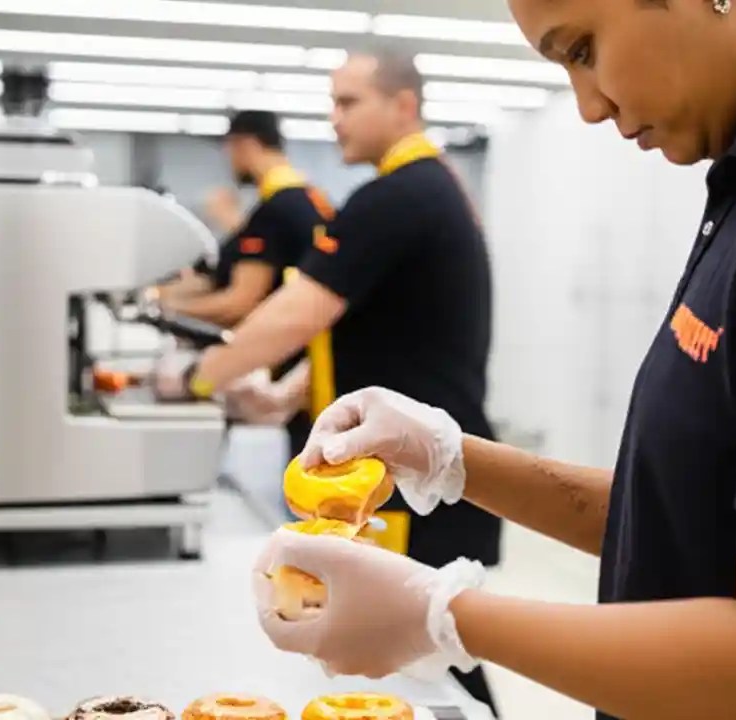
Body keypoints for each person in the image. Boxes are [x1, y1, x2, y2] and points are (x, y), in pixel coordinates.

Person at [249, 4, 736, 720]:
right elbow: (697, 520)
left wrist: (443, 618)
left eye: (581, 49)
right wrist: (452, 459)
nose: (589, 106)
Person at [158, 50, 503, 713]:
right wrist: (288, 395)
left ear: (403, 106)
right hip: (418, 473)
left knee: (431, 666)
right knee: (429, 663)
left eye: (348, 103)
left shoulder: (398, 197)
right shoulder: (427, 192)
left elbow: (299, 313)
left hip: (409, 486)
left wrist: (195, 380)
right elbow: (386, 334)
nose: (333, 118)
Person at [154, 110, 332, 456]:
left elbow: (240, 301)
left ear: (245, 145)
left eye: (229, 150)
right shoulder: (310, 201)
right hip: (315, 375)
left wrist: (165, 310)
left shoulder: (277, 210)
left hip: (293, 375)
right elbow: (220, 278)